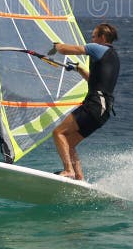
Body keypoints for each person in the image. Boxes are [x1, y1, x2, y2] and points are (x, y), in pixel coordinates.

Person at [50, 23, 120, 180]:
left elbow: (64, 50)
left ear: (103, 37)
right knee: (68, 142)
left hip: (94, 105)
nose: (92, 39)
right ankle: (79, 177)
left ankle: (68, 170)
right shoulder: (112, 56)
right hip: (103, 110)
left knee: (58, 132)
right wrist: (79, 69)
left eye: (94, 36)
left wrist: (56, 45)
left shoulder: (98, 48)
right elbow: (95, 82)